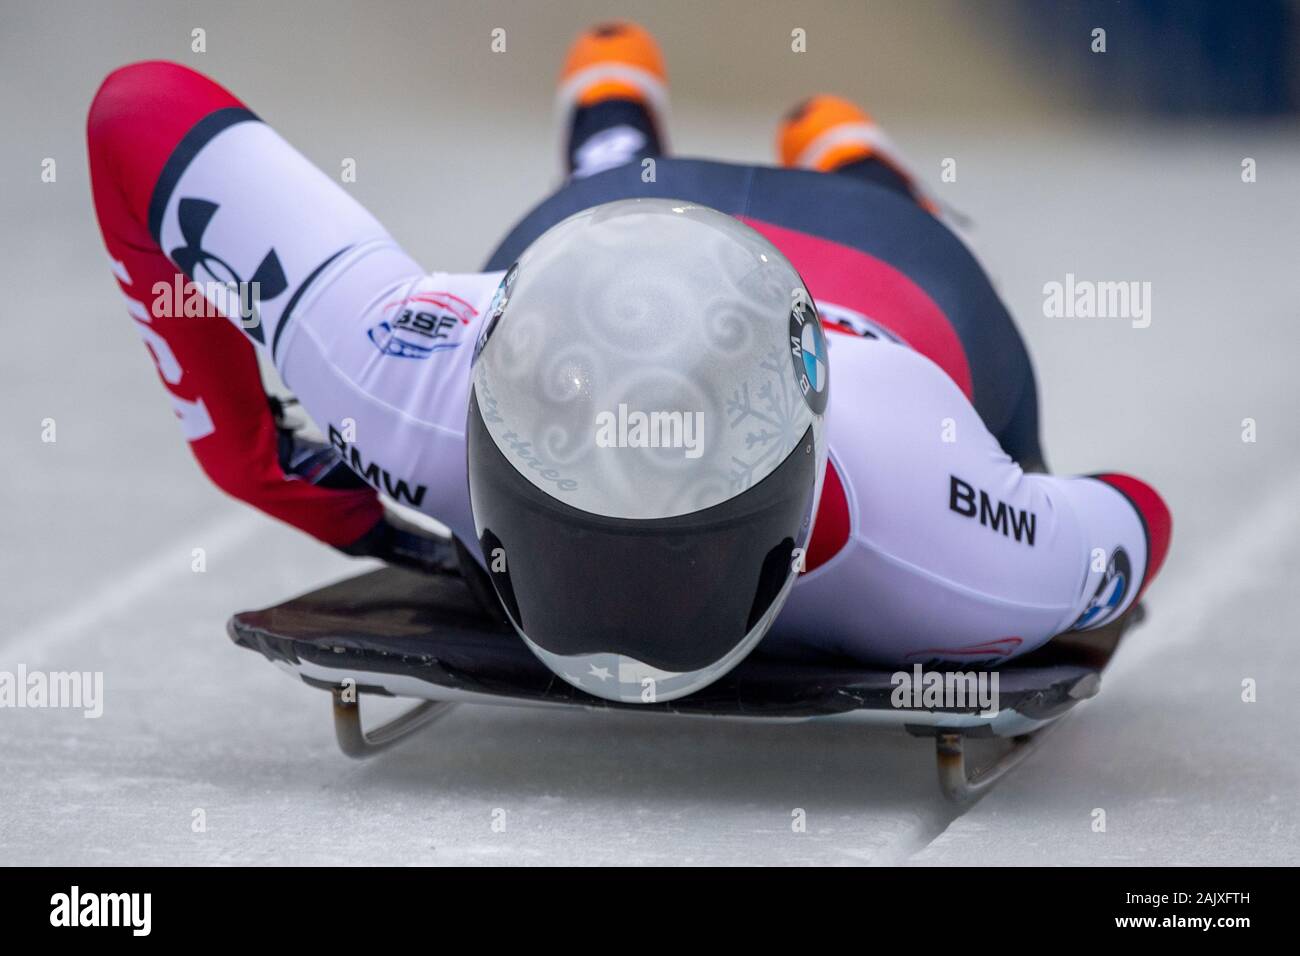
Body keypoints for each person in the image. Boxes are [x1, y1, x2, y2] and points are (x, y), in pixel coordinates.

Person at [87, 22, 1170, 700]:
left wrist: (256, 461)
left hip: (879, 278)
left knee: (614, 209)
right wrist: (252, 461)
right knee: (617, 217)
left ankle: (717, 149)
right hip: (854, 269)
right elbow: (1133, 514)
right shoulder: (403, 375)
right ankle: (827, 161)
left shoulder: (945, 538)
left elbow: (137, 112)